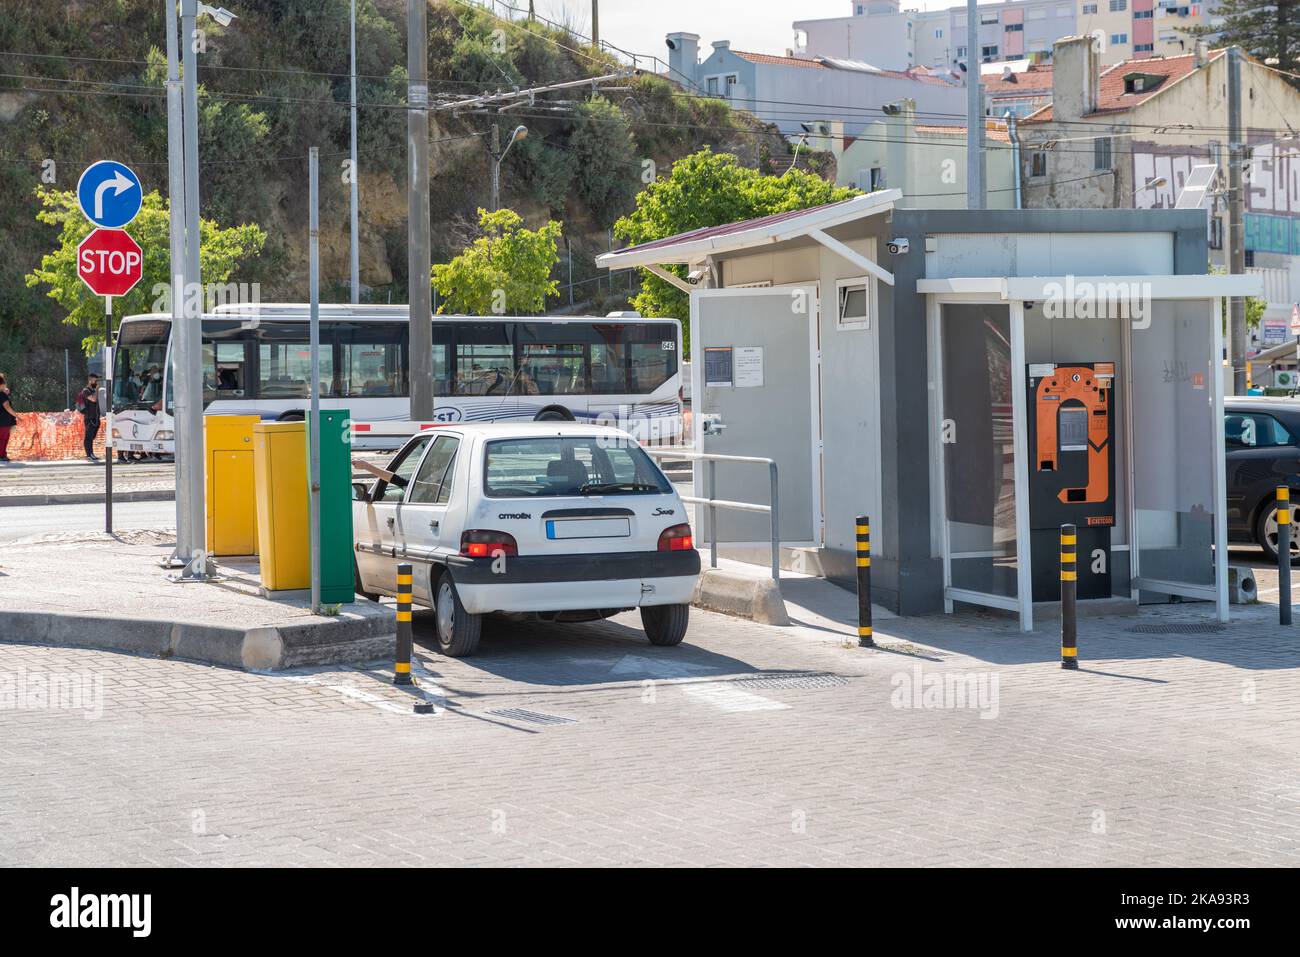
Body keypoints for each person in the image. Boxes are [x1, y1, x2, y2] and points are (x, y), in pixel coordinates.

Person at [75, 373, 101, 462]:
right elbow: (93, 399)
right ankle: (89, 454)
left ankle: (91, 453)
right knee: (88, 437)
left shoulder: (92, 391)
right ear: (90, 380)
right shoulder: (86, 391)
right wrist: (97, 389)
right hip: (89, 417)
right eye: (95, 380)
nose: (96, 382)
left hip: (95, 417)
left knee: (92, 436)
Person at [0, 372, 18, 463]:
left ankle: (3, 455)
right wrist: (17, 416)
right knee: (3, 439)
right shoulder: (2, 396)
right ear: (2, 384)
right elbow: (7, 407)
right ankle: (2, 455)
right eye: (4, 384)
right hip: (4, 422)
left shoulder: (3, 394)